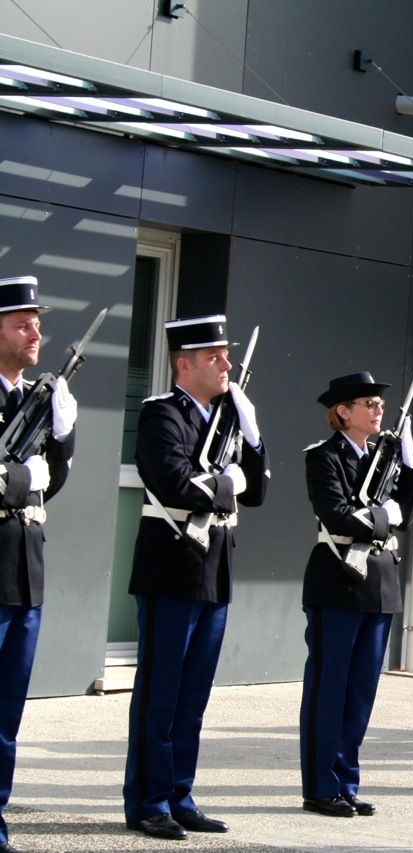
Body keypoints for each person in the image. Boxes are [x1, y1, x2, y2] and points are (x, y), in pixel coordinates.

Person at [123, 315, 269, 840]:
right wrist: (225, 483)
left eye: (227, 355)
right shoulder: (162, 415)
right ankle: (148, 800)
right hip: (172, 569)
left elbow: (256, 493)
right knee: (161, 692)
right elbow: (173, 481)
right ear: (184, 364)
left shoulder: (227, 418)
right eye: (214, 357)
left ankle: (180, 793)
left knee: (193, 696)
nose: (226, 364)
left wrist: (251, 437)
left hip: (214, 571)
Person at [299, 373, 413, 818]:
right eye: (368, 404)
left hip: (379, 583)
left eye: (379, 404)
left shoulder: (385, 459)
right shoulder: (323, 457)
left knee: (360, 693)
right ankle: (320, 786)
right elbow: (335, 514)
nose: (378, 411)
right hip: (337, 582)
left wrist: (408, 464)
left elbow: (405, 513)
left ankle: (346, 782)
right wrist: (383, 515)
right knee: (329, 688)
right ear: (343, 412)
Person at [0, 276, 77, 853]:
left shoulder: (38, 397)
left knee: (5, 718)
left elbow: (51, 484)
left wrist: (64, 436)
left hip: (24, 573)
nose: (36, 333)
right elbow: (20, 480)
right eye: (23, 323)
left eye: (37, 323)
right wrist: (26, 477)